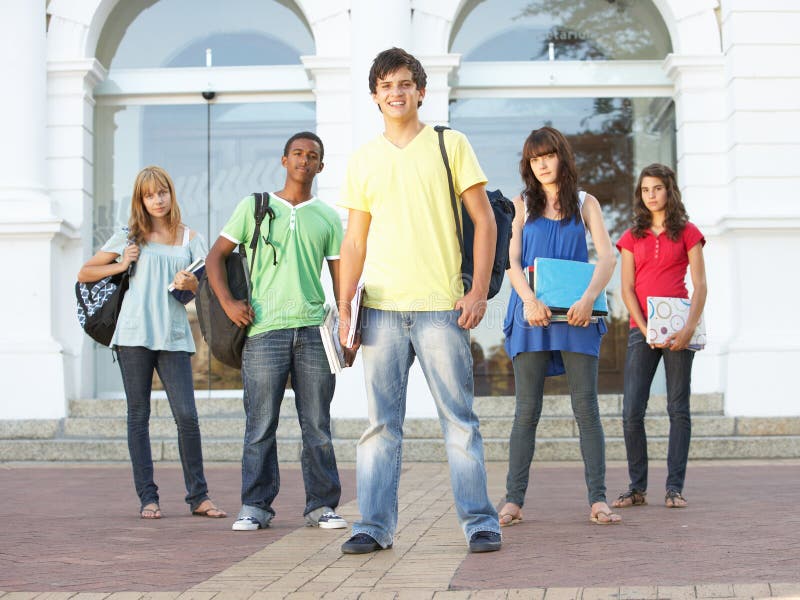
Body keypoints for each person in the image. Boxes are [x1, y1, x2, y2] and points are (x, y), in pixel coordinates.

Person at [337, 47, 502, 555]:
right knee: (380, 427)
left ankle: (480, 522)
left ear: (421, 91)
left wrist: (477, 291)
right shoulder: (364, 159)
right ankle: (374, 526)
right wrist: (345, 309)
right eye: (386, 86)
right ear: (375, 96)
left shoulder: (450, 144)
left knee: (459, 420)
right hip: (381, 311)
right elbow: (354, 242)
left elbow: (485, 220)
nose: (396, 93)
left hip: (441, 308)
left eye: (405, 84)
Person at [206, 132, 349, 532]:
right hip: (264, 330)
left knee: (317, 425)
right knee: (260, 425)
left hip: (313, 331)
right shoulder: (253, 206)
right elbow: (215, 257)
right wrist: (228, 303)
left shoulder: (327, 217)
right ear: (284, 160)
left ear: (321, 166)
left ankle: (322, 506)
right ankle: (255, 506)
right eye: (297, 154)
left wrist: (346, 329)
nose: (305, 160)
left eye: (312, 156)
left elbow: (340, 278)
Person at [77, 165, 226, 520]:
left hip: (173, 335)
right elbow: (85, 273)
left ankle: (199, 497)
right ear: (140, 201)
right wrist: (120, 265)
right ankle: (148, 497)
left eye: (162, 192)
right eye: (149, 195)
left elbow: (203, 287)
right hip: (133, 335)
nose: (157, 200)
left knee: (187, 416)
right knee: (138, 416)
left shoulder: (190, 238)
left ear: (171, 194)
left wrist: (192, 285)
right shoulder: (130, 237)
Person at [498, 126, 620, 526]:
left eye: (548, 156)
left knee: (586, 409)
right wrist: (529, 301)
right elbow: (511, 262)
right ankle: (513, 501)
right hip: (530, 314)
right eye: (534, 159)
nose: (542, 164)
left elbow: (607, 258)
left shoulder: (585, 203)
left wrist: (588, 299)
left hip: (577, 314)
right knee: (526, 411)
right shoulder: (520, 205)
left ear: (561, 157)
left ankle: (598, 500)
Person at [612, 163, 707, 510]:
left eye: (657, 188)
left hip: (679, 328)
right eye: (645, 189)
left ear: (669, 190)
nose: (651, 195)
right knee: (631, 411)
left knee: (677, 409)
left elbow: (700, 285)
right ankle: (637, 488)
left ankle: (674, 488)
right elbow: (626, 288)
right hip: (641, 330)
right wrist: (645, 328)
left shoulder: (689, 233)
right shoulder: (631, 236)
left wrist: (688, 329)